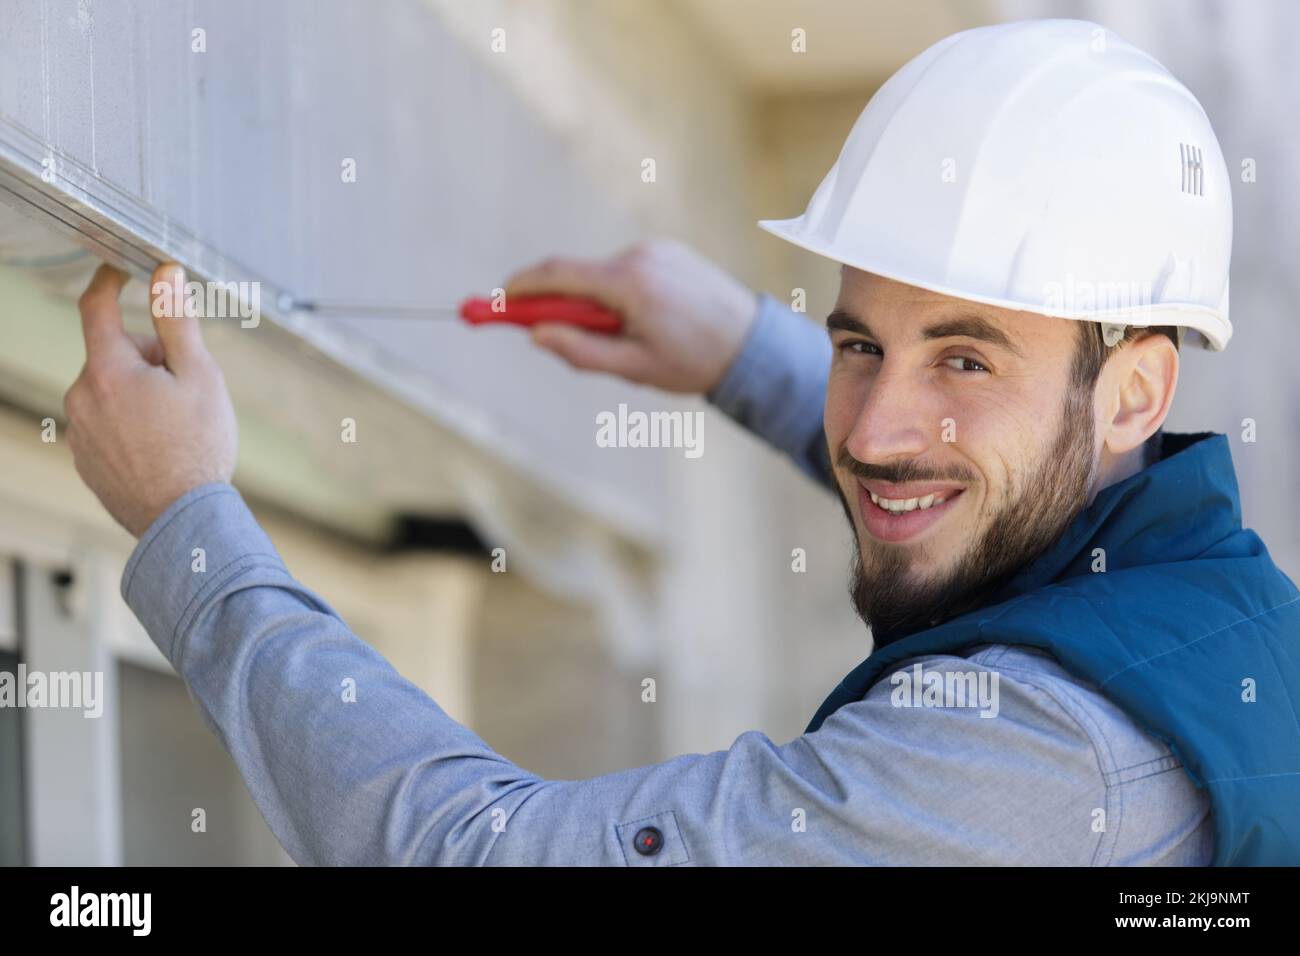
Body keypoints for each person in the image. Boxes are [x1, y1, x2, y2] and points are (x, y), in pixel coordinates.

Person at [62, 19, 1300, 865]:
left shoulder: (1032, 752)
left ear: (1133, 393)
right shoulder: (1211, 616)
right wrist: (730, 348)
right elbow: (983, 495)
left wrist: (191, 530)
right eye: (859, 341)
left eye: (965, 358)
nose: (870, 424)